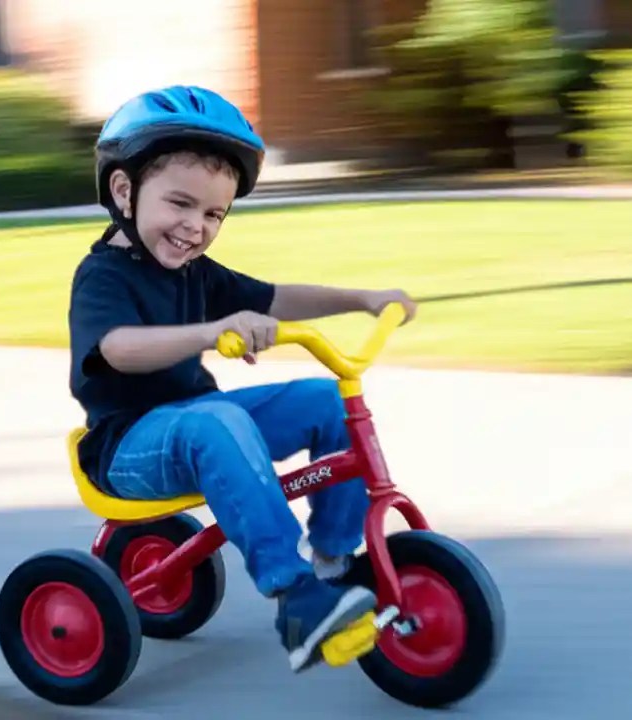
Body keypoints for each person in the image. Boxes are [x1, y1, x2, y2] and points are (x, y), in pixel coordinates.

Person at [67, 85, 417, 673]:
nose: (195, 227)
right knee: (217, 420)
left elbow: (276, 297)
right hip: (126, 446)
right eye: (179, 204)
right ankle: (296, 596)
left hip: (201, 426)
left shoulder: (196, 273)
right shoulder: (102, 277)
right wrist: (212, 332)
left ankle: (334, 561)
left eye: (213, 214)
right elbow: (118, 350)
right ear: (124, 190)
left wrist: (362, 297)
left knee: (327, 400)